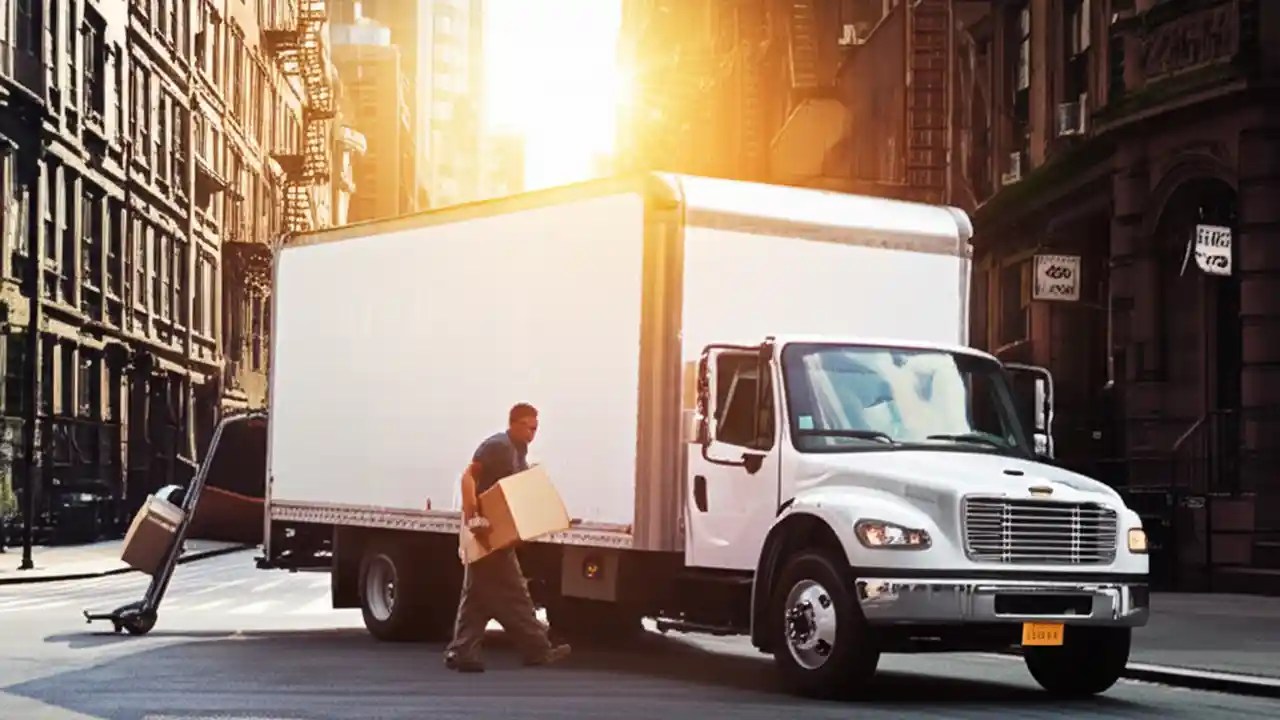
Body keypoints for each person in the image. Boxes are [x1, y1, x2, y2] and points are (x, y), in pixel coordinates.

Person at [443, 403, 572, 673]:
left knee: (476, 597)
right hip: (485, 528)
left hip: (495, 531)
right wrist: (472, 517)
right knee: (515, 594)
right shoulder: (498, 446)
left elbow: (522, 490)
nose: (532, 434)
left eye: (536, 428)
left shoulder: (518, 451)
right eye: (528, 427)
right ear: (514, 423)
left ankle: (463, 651)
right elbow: (468, 477)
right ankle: (537, 650)